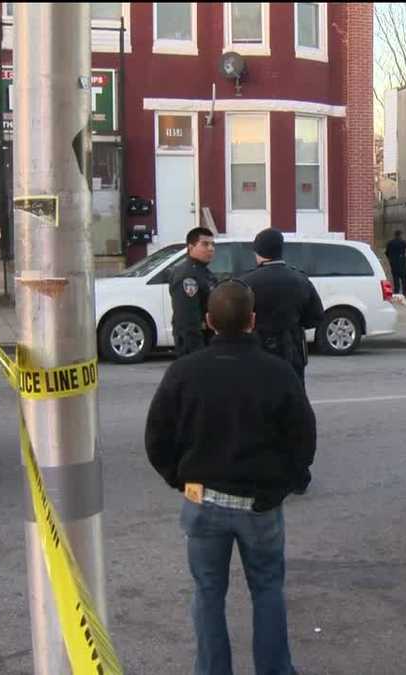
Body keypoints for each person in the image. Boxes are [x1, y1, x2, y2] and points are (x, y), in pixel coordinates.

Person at [145, 281, 316, 675]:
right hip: (260, 507)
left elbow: (157, 437)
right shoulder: (279, 373)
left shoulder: (184, 372)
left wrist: (178, 478)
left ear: (208, 321)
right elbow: (303, 440)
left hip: (202, 502)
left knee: (207, 594)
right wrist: (280, 487)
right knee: (268, 590)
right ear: (252, 321)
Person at [240, 228, 325, 384]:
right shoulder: (300, 279)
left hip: (258, 350)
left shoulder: (246, 282)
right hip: (292, 350)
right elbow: (316, 316)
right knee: (293, 398)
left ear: (258, 252)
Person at [168, 227, 218, 356]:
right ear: (191, 247)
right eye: (205, 244)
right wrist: (197, 352)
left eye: (213, 244)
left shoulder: (204, 272)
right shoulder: (187, 275)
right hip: (193, 343)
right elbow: (188, 318)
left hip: (207, 339)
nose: (211, 248)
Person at [384, 229, 406, 296]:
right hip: (401, 262)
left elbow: (386, 252)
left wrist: (390, 259)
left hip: (393, 263)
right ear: (400, 235)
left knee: (395, 277)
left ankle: (396, 291)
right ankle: (405, 292)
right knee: (404, 277)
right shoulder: (402, 242)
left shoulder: (390, 243)